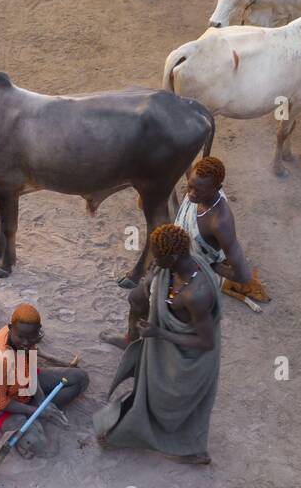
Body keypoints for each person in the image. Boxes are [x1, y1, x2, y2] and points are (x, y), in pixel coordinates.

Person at [94, 224, 221, 464]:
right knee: (149, 393)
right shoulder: (170, 270)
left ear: (172, 257)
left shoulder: (196, 293)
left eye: (157, 255)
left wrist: (160, 333)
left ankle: (192, 451)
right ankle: (132, 430)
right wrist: (149, 281)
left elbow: (206, 342)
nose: (153, 259)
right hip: (163, 347)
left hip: (189, 359)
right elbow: (140, 297)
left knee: (170, 406)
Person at [0, 304, 88, 458]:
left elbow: (31, 368)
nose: (26, 342)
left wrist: (42, 401)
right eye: (22, 338)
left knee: (80, 379)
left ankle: (32, 415)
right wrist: (38, 410)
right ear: (10, 328)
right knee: (41, 445)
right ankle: (29, 418)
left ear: (38, 331)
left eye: (32, 337)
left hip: (21, 379)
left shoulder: (26, 336)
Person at [174, 156, 265, 302]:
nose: (191, 193)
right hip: (180, 258)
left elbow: (244, 275)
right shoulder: (197, 190)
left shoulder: (220, 222)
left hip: (195, 273)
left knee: (174, 303)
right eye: (190, 186)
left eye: (199, 190)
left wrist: (214, 267)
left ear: (216, 188)